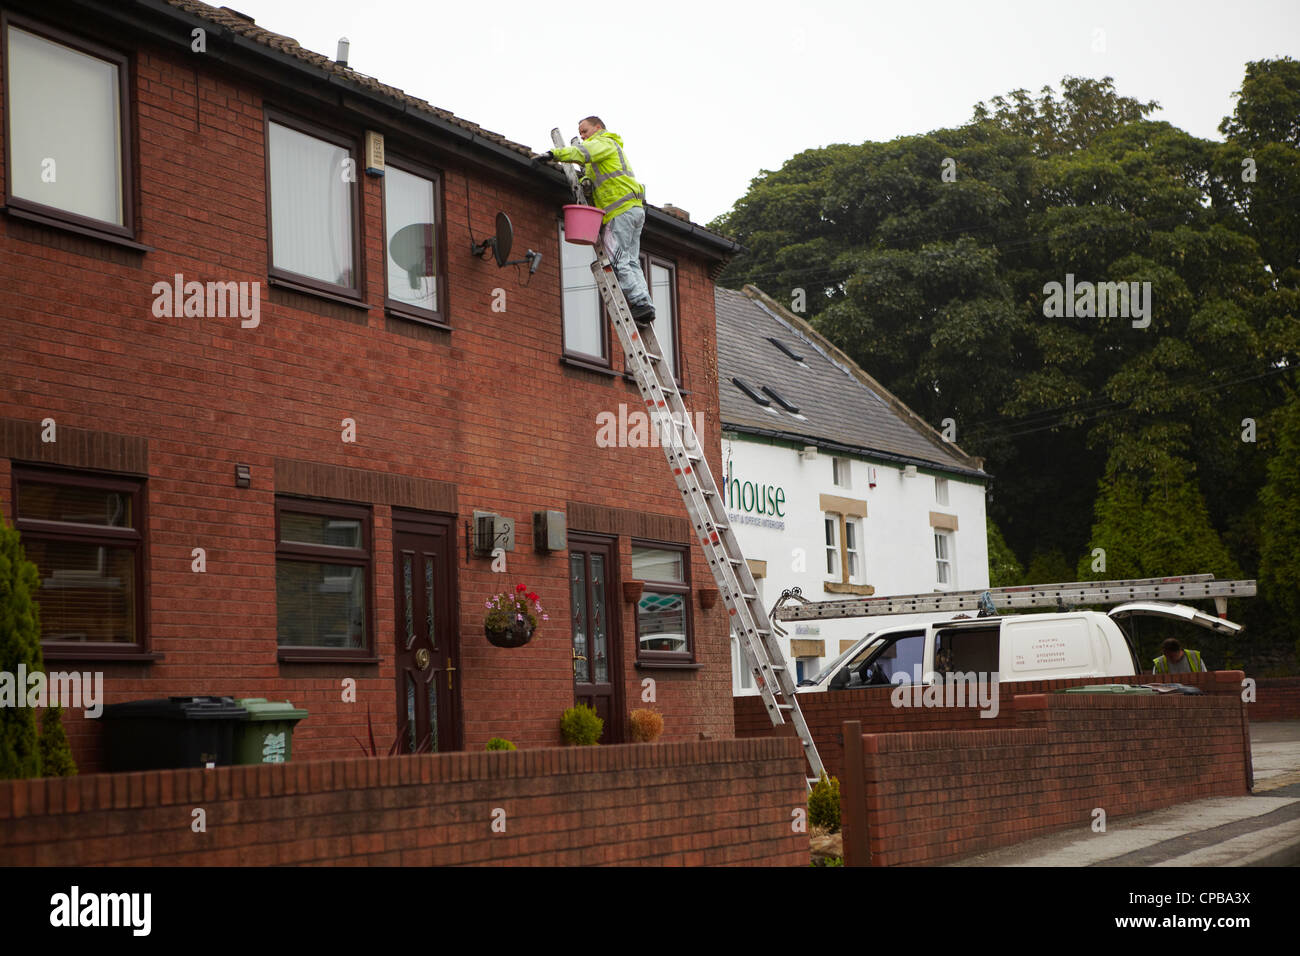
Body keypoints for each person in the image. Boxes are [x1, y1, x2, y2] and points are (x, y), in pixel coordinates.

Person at [537, 117, 655, 324]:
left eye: (585, 131)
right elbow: (591, 178)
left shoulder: (603, 142)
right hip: (632, 210)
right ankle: (644, 302)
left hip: (619, 210)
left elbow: (580, 153)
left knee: (617, 259)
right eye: (580, 133)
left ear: (598, 128)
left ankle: (638, 302)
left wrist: (553, 154)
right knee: (631, 261)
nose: (582, 136)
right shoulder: (606, 150)